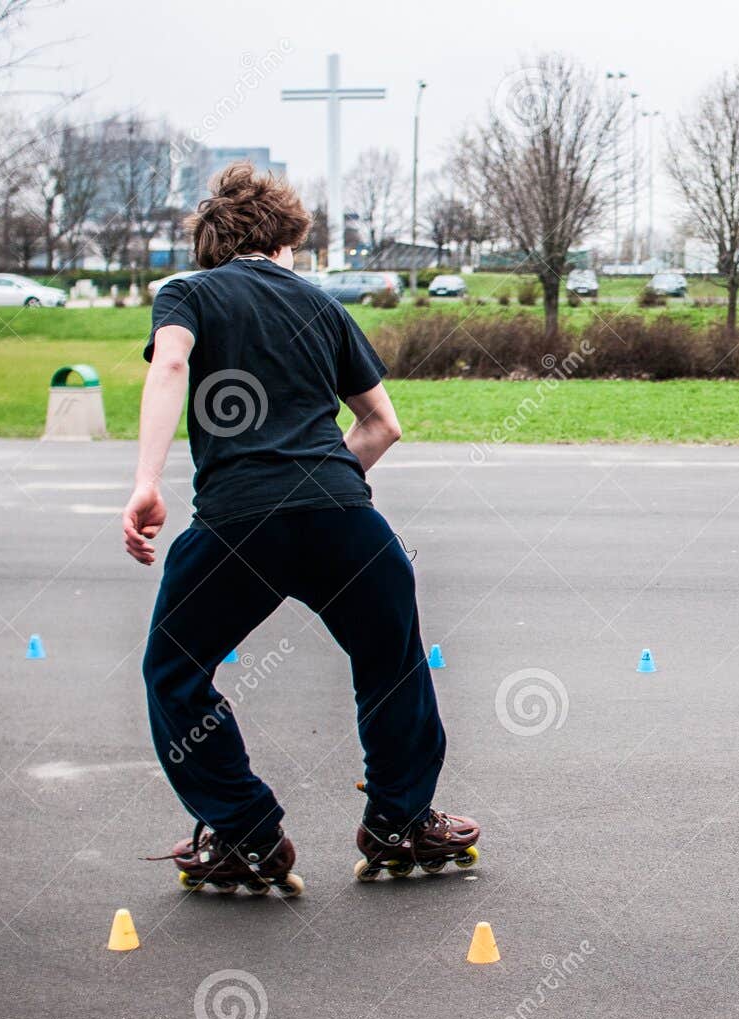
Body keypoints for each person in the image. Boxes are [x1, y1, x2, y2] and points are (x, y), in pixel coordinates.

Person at [123, 162, 478, 896]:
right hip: (343, 519)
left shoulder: (187, 293)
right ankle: (400, 824)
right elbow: (384, 425)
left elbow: (172, 365)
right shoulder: (323, 308)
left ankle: (246, 833)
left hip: (237, 524)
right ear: (284, 240)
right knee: (391, 662)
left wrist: (147, 483)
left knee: (176, 672)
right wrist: (320, 478)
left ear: (214, 245)